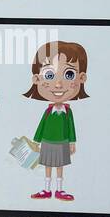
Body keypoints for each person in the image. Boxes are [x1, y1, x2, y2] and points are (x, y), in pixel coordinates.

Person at [22, 40, 88, 202]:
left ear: (81, 78)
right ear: (37, 79)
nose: (58, 84)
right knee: (47, 166)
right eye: (49, 75)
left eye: (69, 74)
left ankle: (59, 190)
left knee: (60, 166)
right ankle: (46, 189)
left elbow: (71, 127)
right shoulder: (49, 110)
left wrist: (72, 142)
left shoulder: (67, 111)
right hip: (47, 142)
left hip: (62, 142)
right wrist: (36, 142)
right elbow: (41, 126)